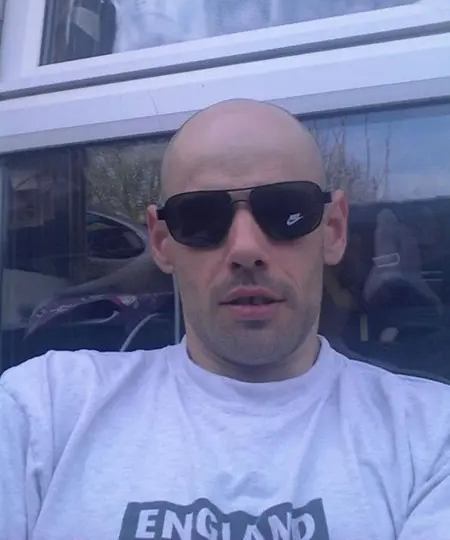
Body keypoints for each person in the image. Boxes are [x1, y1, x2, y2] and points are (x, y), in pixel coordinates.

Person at [1, 99, 449, 540]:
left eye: (286, 211)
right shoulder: (43, 409)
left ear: (333, 230)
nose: (245, 249)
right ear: (161, 242)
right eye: (201, 217)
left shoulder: (432, 435)